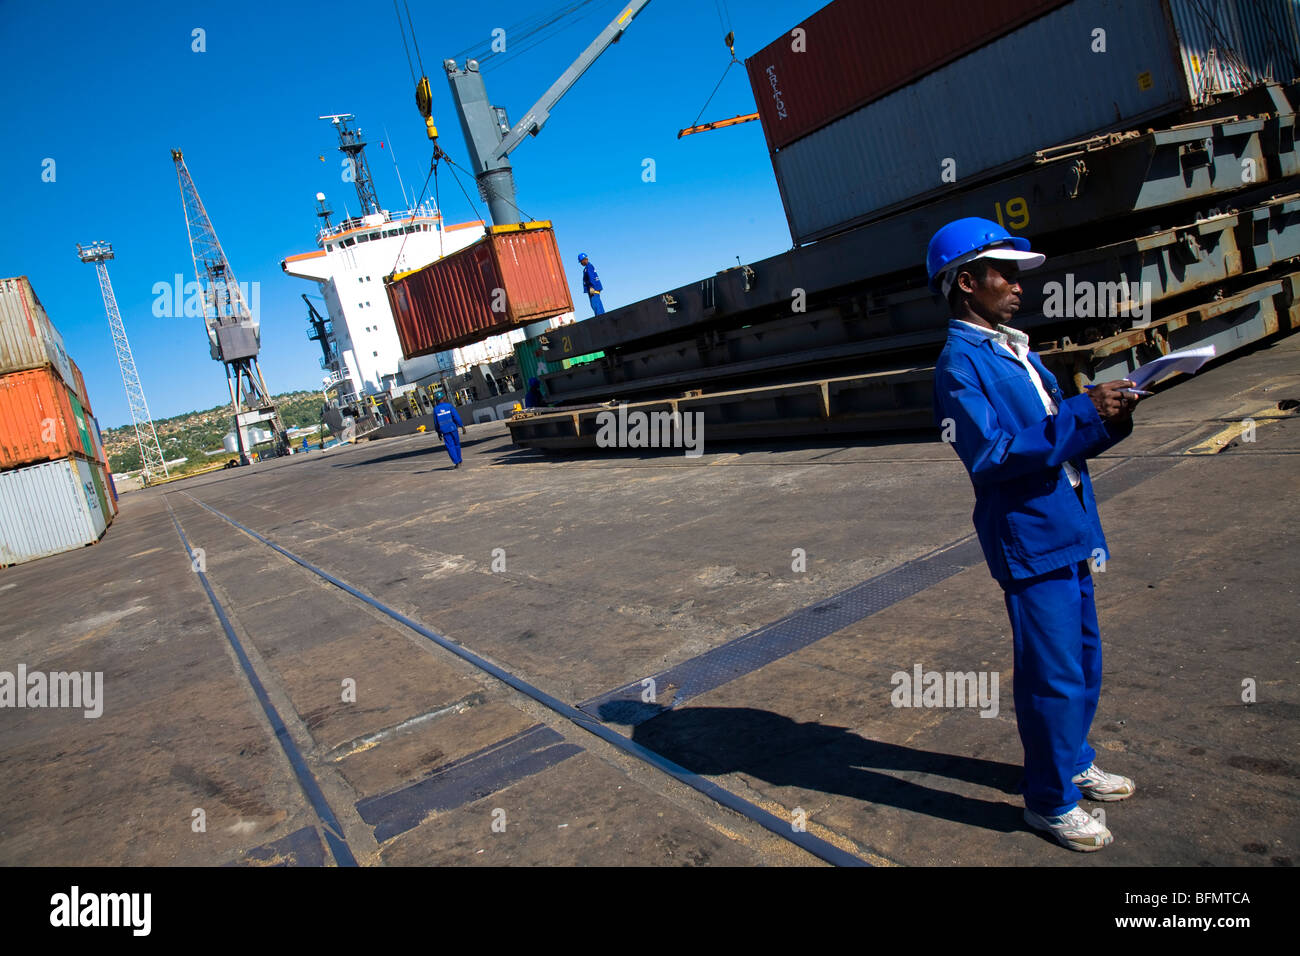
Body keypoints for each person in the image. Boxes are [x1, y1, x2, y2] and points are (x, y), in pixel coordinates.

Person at [928, 217, 1142, 852]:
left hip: (1068, 521)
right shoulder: (958, 366)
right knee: (1051, 673)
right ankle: (1049, 802)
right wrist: (1081, 408)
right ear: (967, 283)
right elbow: (991, 455)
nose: (1019, 285)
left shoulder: (1014, 349)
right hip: (1029, 536)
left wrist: (1110, 417)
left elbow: (1057, 437)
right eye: (1005, 273)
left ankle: (1072, 760)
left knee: (1083, 659)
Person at [432, 392, 466, 468]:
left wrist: (438, 432)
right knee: (457, 444)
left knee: (450, 446)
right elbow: (456, 417)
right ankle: (459, 460)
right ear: (443, 398)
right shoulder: (449, 406)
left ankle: (456, 462)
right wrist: (462, 426)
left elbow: (436, 423)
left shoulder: (435, 410)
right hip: (453, 428)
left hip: (444, 431)